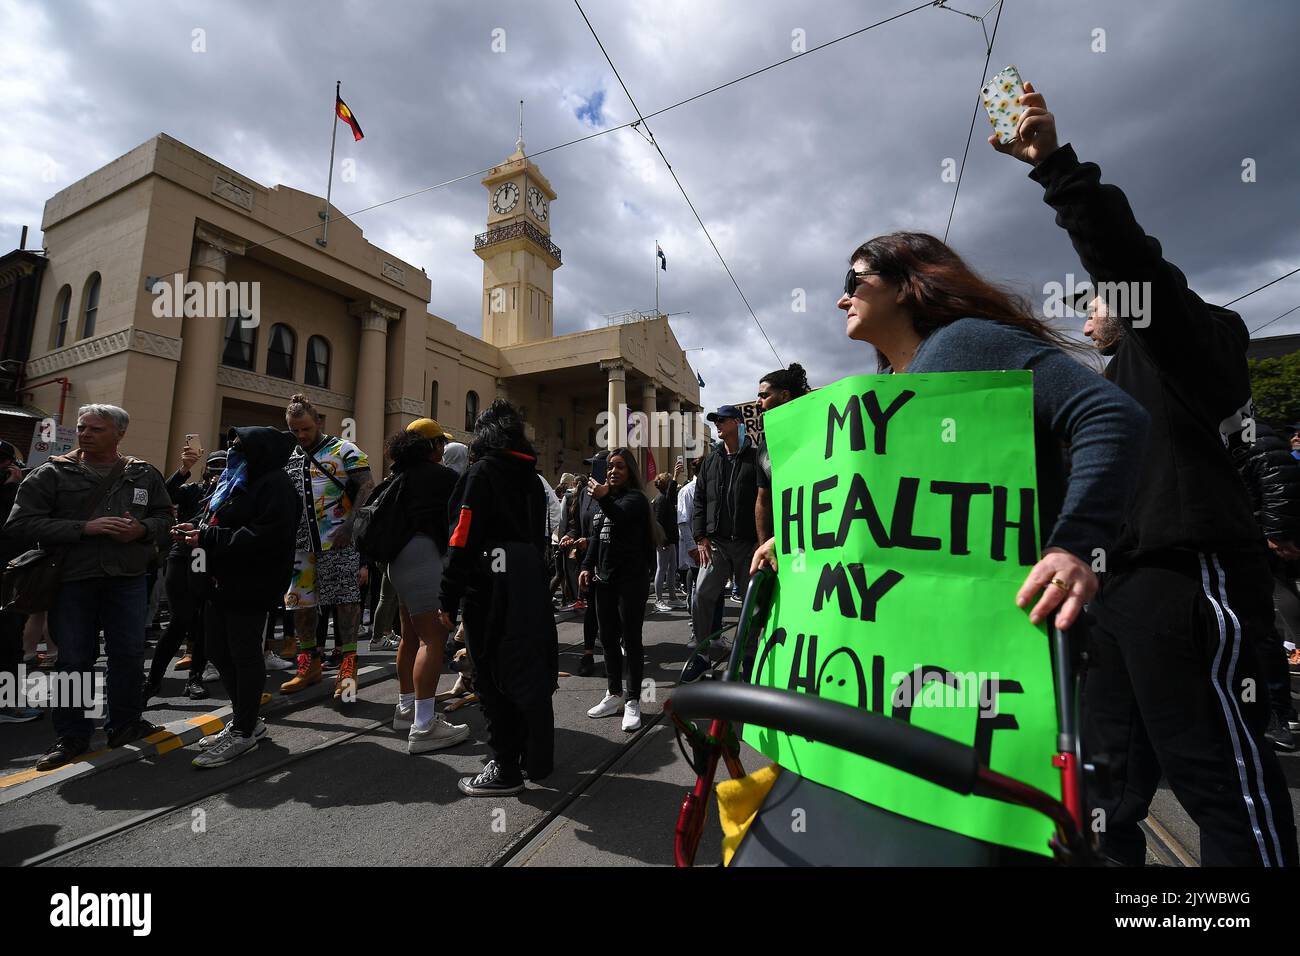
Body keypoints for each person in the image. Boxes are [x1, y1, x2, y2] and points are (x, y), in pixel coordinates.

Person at [993, 80, 1298, 867]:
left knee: (1218, 779)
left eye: (1095, 301)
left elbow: (1132, 263)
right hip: (1113, 594)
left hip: (1185, 580)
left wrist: (1056, 167)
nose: (1084, 314)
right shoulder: (1100, 384)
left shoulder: (1189, 341)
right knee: (1103, 787)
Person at [6, 404, 173, 770]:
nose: (85, 434)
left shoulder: (142, 473)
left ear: (119, 434)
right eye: (82, 427)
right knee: (74, 658)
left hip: (127, 579)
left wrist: (142, 530)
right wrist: (84, 528)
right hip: (72, 580)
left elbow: (165, 517)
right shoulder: (52, 472)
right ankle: (71, 735)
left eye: (96, 429)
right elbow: (21, 524)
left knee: (127, 654)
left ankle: (125, 723)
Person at [438, 399, 558, 796]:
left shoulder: (482, 472)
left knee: (488, 679)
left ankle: (504, 767)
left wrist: (447, 597)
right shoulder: (532, 479)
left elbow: (462, 536)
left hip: (487, 589)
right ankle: (528, 756)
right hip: (527, 587)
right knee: (525, 670)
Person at [178, 426, 300, 768]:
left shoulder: (276, 485)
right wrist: (198, 532)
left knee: (244, 655)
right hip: (221, 582)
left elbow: (265, 536)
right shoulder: (237, 480)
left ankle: (244, 732)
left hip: (251, 585)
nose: (232, 451)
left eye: (240, 446)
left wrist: (207, 537)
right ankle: (246, 720)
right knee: (218, 650)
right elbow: (218, 521)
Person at [280, 394, 374, 700]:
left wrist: (352, 528)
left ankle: (348, 671)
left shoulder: (344, 449)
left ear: (318, 422)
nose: (301, 435)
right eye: (295, 430)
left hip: (338, 543)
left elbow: (367, 486)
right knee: (300, 604)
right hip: (300, 546)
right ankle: (309, 665)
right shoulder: (289, 456)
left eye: (305, 428)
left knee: (345, 603)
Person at [384, 418, 470, 754]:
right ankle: (423, 725)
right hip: (424, 560)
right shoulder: (443, 477)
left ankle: (406, 709)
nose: (443, 449)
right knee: (432, 639)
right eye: (440, 443)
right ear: (432, 446)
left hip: (397, 564)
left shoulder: (399, 476)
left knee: (410, 636)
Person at [1231, 420, 1300, 750]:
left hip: (1250, 540)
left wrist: (1276, 532)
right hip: (1235, 538)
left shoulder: (1249, 433)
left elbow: (1279, 480)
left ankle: (1275, 712)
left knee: (1258, 628)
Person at [580, 446, 656, 731]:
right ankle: (614, 693)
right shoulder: (605, 503)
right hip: (604, 581)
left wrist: (603, 498)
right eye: (610, 466)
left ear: (631, 472)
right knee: (608, 639)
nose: (613, 471)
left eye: (620, 466)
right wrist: (587, 566)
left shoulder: (635, 499)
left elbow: (621, 519)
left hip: (630, 582)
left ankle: (633, 700)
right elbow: (597, 538)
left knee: (631, 640)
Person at [143, 447, 226, 706]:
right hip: (181, 555)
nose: (217, 474)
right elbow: (165, 494)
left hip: (207, 557)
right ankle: (153, 680)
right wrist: (183, 469)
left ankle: (195, 678)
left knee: (202, 619)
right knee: (180, 619)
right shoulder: (192, 490)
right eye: (213, 469)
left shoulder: (230, 493)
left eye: (223, 468)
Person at [691, 406, 759, 649]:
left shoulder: (757, 456)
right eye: (715, 421)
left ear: (737, 423)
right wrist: (700, 536)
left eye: (722, 420)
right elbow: (699, 500)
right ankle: (702, 651)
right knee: (701, 595)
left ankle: (749, 654)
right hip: (716, 543)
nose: (717, 424)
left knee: (754, 602)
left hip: (748, 543)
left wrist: (763, 539)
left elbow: (768, 499)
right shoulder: (711, 461)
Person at [0, 442, 40, 724]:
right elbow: (17, 527)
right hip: (9, 577)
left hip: (11, 576)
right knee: (7, 640)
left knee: (9, 639)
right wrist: (12, 490)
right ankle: (7, 703)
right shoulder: (12, 494)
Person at [754, 364, 811, 542]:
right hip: (786, 542)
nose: (758, 403)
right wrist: (764, 545)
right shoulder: (764, 447)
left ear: (785, 396)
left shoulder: (819, 432)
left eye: (764, 395)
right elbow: (763, 500)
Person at [560, 452, 605, 674]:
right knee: (591, 610)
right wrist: (570, 535)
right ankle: (588, 654)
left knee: (608, 610)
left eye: (596, 466)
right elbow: (576, 523)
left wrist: (591, 540)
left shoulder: (614, 492)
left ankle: (614, 652)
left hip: (609, 560)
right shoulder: (585, 493)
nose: (591, 471)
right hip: (588, 561)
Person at [651, 464, 684, 612]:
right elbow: (657, 522)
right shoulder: (660, 500)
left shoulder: (666, 498)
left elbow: (672, 492)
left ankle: (672, 597)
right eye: (670, 481)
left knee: (672, 568)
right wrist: (661, 540)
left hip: (670, 539)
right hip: (664, 541)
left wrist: (675, 476)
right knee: (662, 568)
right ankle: (659, 600)